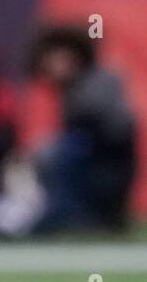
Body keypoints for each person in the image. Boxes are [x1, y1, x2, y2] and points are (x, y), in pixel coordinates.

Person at [30, 24, 137, 233]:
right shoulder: (74, 90)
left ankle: (73, 218)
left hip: (104, 174)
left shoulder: (95, 87)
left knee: (55, 153)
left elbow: (119, 130)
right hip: (96, 171)